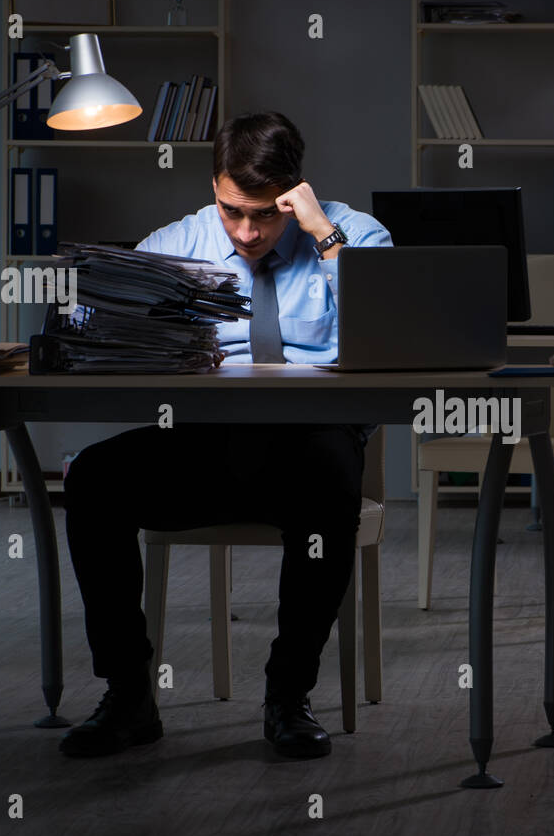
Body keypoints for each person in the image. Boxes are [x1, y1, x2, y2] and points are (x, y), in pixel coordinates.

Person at [58, 111, 392, 760]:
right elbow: (95, 319)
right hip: (204, 448)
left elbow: (388, 328)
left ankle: (287, 697)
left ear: (296, 191)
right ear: (213, 186)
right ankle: (129, 696)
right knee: (94, 478)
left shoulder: (353, 234)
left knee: (329, 474)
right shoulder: (176, 243)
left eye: (266, 214)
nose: (246, 232)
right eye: (231, 210)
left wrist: (323, 235)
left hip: (307, 454)